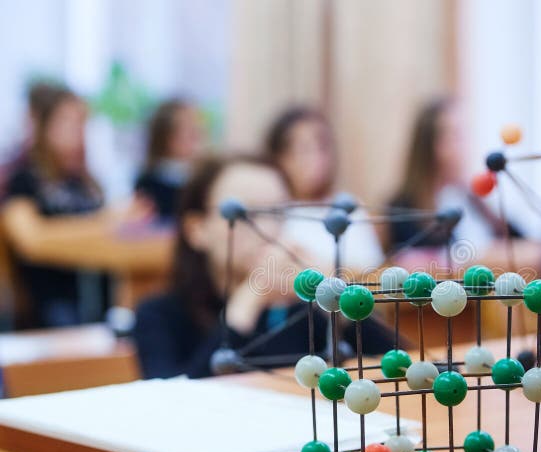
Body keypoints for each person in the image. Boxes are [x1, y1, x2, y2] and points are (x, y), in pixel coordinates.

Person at [134, 156, 393, 379]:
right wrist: (248, 300)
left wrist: (336, 299)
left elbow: (400, 367)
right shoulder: (158, 315)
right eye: (247, 215)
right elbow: (171, 404)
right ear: (197, 229)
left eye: (278, 213)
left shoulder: (301, 310)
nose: (268, 230)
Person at [387, 97, 541, 272]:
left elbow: (522, 241)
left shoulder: (469, 197)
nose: (464, 146)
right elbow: (410, 260)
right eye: (455, 136)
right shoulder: (403, 206)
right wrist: (485, 256)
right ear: (431, 145)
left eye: (463, 135)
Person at [1, 87, 111, 327]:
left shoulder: (84, 183)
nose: (77, 131)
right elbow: (30, 239)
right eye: (67, 122)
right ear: (45, 126)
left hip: (94, 297)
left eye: (81, 122)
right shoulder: (23, 178)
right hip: (48, 305)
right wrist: (104, 224)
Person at [263, 106, 384, 274]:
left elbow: (375, 274)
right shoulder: (272, 212)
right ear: (281, 157)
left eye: (323, 147)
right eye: (304, 149)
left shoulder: (349, 207)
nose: (317, 159)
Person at [134, 98, 205, 220]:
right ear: (168, 138)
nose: (197, 134)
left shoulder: (203, 178)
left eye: (197, 126)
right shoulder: (148, 182)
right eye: (188, 129)